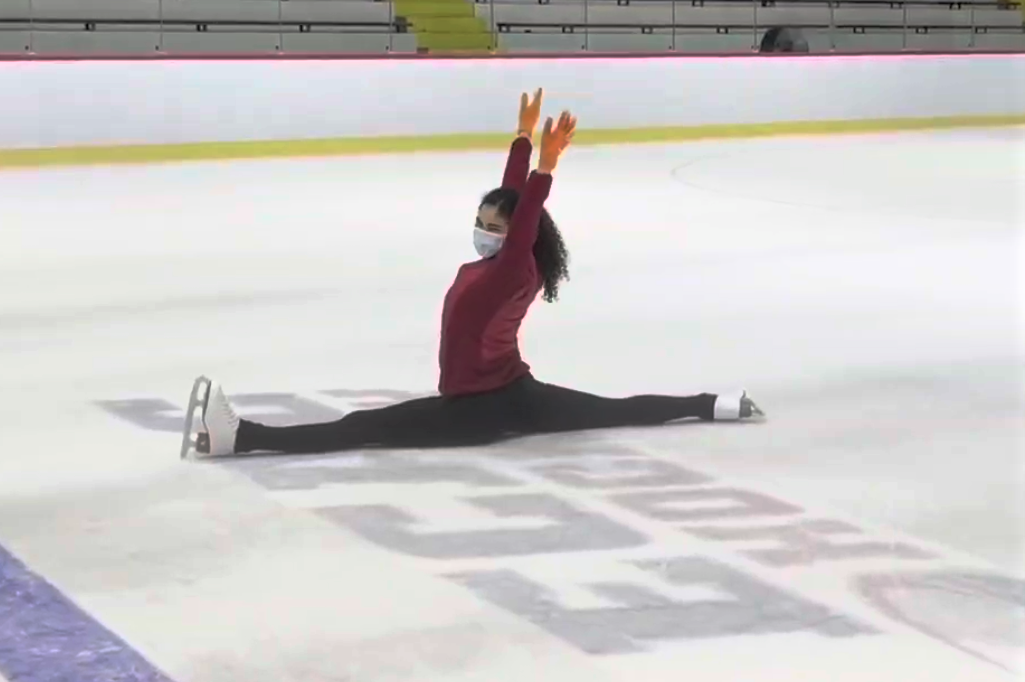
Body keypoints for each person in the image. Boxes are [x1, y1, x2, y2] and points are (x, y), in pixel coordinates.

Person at [184, 90, 763, 459]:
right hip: (516, 394)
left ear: (517, 237)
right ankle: (717, 403)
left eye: (494, 223)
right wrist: (520, 139)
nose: (484, 227)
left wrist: (546, 167)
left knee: (360, 426)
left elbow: (525, 211)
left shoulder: (512, 270)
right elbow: (515, 204)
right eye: (480, 218)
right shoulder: (496, 262)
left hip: (480, 411)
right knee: (615, 408)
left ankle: (244, 438)